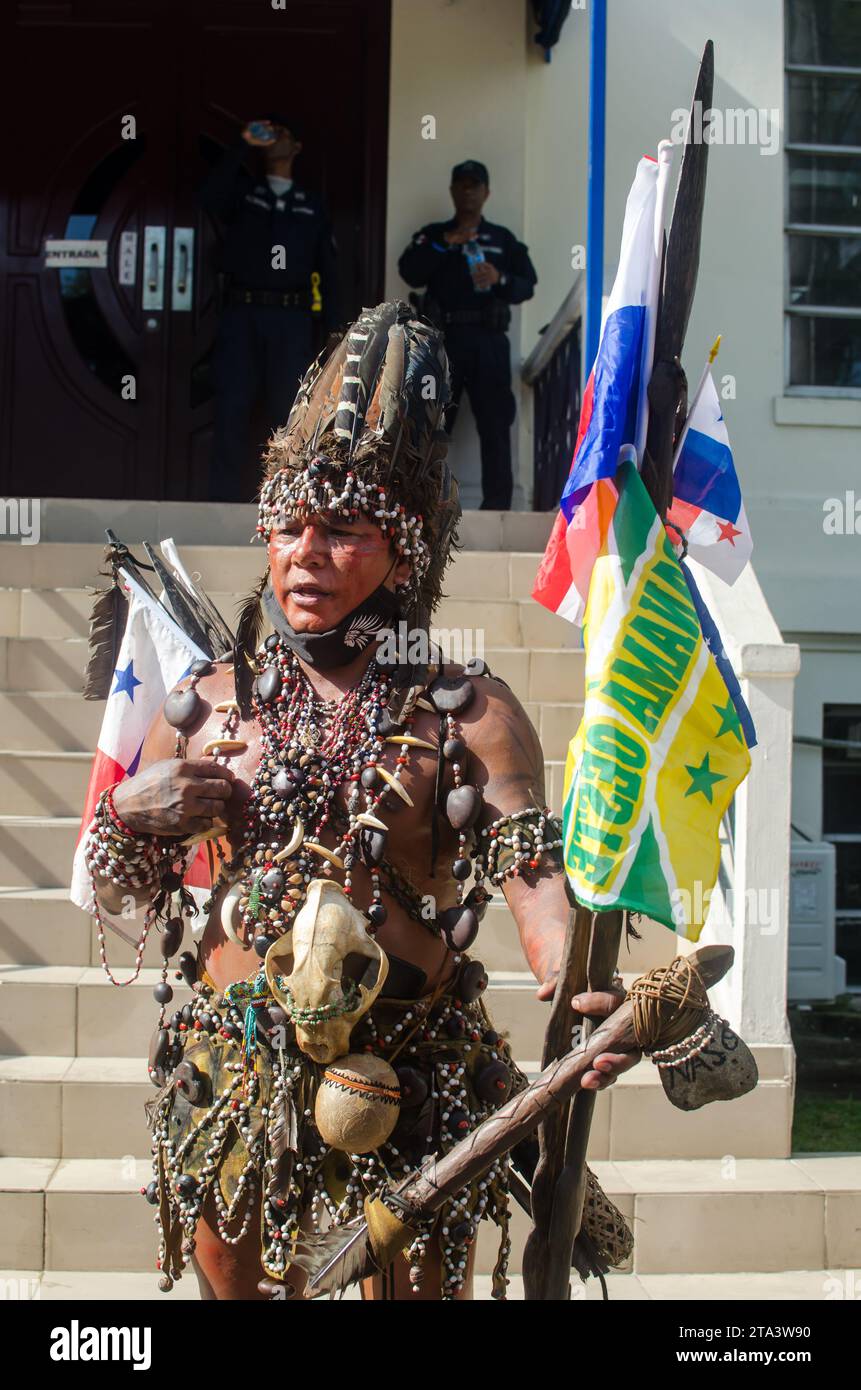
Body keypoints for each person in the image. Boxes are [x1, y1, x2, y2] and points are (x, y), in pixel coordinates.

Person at [83, 302, 637, 1302]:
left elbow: (535, 882)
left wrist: (580, 981)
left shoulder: (464, 710)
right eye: (288, 526)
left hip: (407, 1084)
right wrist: (129, 817)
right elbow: (114, 895)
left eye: (341, 530)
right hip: (228, 1080)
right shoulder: (204, 701)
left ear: (406, 544)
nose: (305, 554)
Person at [200, 115, 340, 501]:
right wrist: (244, 143)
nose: (276, 139)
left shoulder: (310, 205)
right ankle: (222, 503)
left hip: (291, 320)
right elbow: (209, 198)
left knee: (289, 413)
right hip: (243, 315)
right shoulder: (245, 192)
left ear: (296, 148)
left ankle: (288, 503)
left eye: (284, 134)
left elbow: (329, 271)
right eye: (270, 134)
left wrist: (334, 332)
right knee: (233, 407)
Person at [398, 161, 537, 511]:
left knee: (495, 423)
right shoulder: (435, 234)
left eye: (474, 185)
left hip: (488, 340)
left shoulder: (502, 239)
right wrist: (445, 243)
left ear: (486, 193)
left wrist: (499, 279)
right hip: (443, 342)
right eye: (460, 184)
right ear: (452, 191)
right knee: (431, 422)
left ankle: (498, 507)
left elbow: (526, 285)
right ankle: (421, 505)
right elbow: (409, 270)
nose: (467, 191)